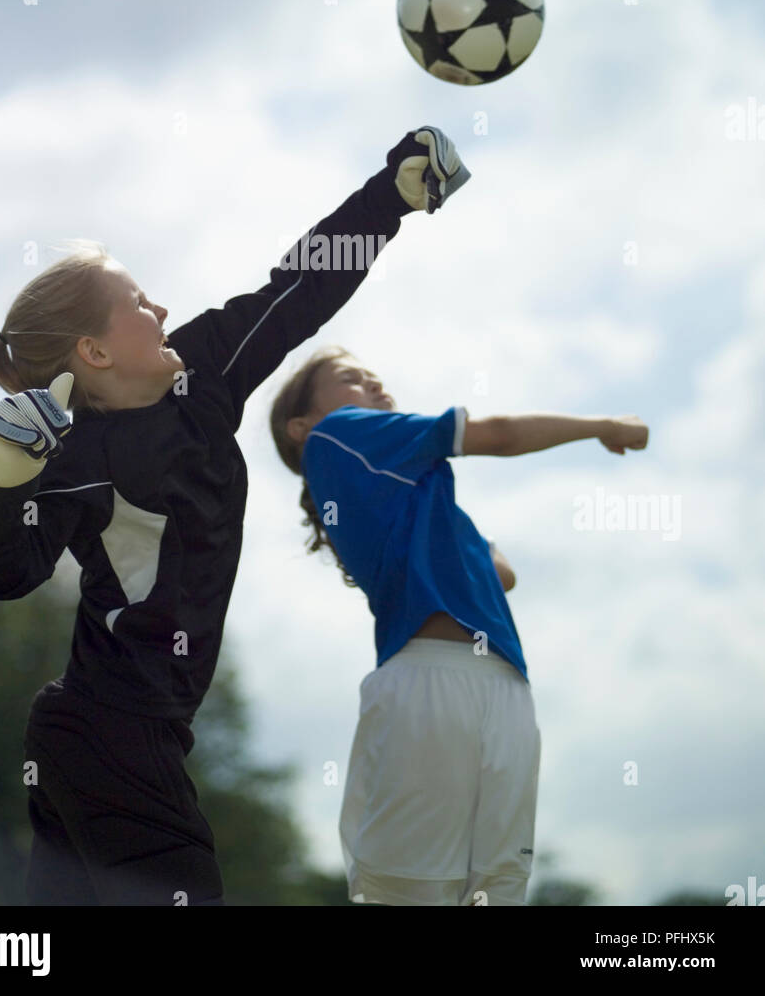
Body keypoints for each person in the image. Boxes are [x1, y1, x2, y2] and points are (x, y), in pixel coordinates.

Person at [0, 127, 470, 906]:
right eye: (137, 302)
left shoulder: (201, 376)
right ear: (94, 353)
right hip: (111, 738)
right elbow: (3, 575)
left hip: (121, 738)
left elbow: (295, 289)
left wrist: (388, 197)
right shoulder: (69, 461)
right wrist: (5, 488)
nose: (160, 306)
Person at [270, 348, 648, 906]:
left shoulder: (408, 490)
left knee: (493, 889)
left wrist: (460, 530)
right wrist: (604, 426)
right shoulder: (338, 435)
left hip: (502, 683)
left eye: (375, 375)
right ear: (300, 427)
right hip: (432, 679)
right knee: (412, 890)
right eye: (350, 377)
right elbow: (496, 434)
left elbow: (504, 574)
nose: (373, 380)